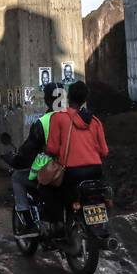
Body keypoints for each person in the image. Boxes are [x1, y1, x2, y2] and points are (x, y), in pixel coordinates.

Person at [43, 80, 108, 225]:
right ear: (85, 100)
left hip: (72, 172)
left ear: (68, 97)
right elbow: (104, 151)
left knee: (48, 189)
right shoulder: (95, 121)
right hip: (96, 171)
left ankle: (57, 225)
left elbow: (52, 149)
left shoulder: (58, 118)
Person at [2, 82, 60, 233]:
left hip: (54, 172)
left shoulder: (44, 122)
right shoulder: (75, 117)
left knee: (17, 177)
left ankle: (28, 222)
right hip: (76, 168)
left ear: (47, 100)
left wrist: (15, 161)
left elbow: (29, 150)